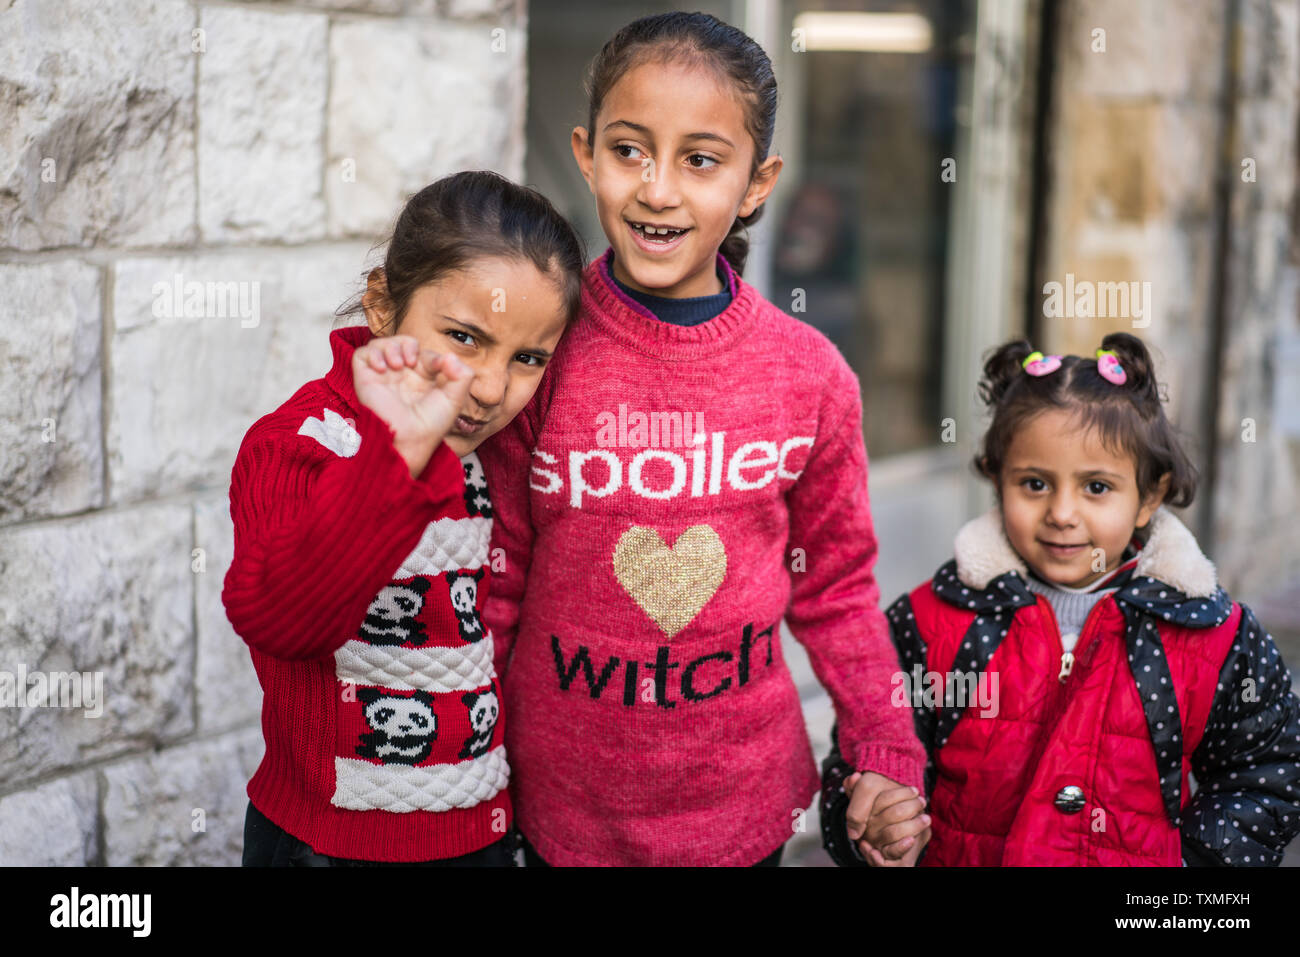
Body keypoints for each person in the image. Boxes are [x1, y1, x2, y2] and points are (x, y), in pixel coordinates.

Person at [477, 12, 927, 867]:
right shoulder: (540, 352)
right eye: (629, 150)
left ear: (758, 183)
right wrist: (471, 766)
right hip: (556, 807)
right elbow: (495, 576)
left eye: (701, 159)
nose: (657, 189)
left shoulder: (810, 375)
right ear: (585, 154)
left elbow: (836, 590)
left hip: (741, 808)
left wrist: (884, 753)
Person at [822, 333, 1300, 866]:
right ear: (997, 477)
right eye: (1034, 483)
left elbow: (1267, 773)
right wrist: (877, 829)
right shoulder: (930, 623)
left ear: (1149, 496)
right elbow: (863, 755)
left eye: (1096, 487)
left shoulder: (1212, 636)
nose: (1062, 513)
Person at [223, 170, 584, 865]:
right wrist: (397, 459)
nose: (489, 387)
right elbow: (279, 619)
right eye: (464, 337)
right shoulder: (301, 442)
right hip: (329, 846)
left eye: (528, 357)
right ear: (383, 305)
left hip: (479, 833)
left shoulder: (495, 445)